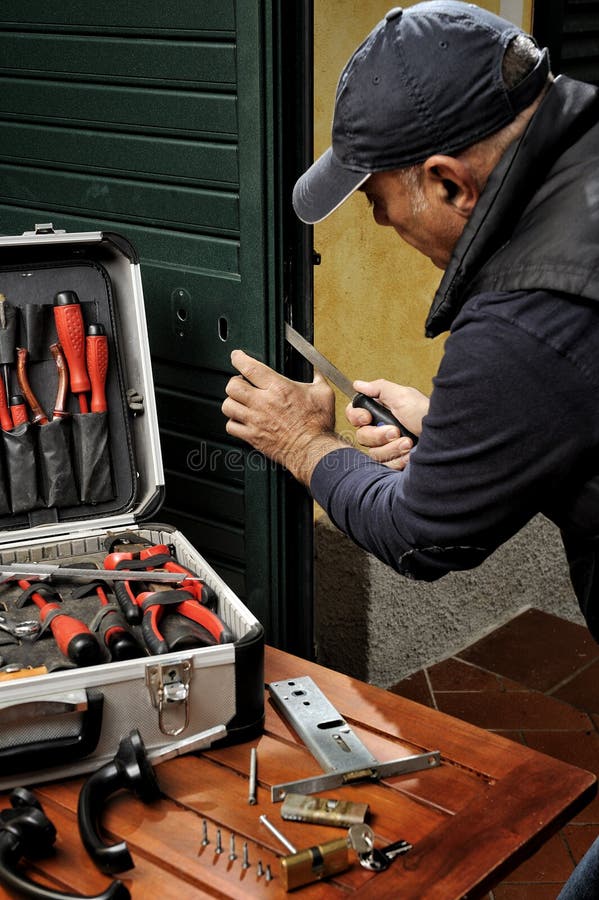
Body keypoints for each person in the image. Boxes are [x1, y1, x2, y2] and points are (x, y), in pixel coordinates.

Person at [222, 2, 599, 643]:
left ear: (449, 185)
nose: (378, 223)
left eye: (377, 200)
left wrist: (300, 442)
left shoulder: (524, 315)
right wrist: (465, 431)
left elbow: (422, 537)